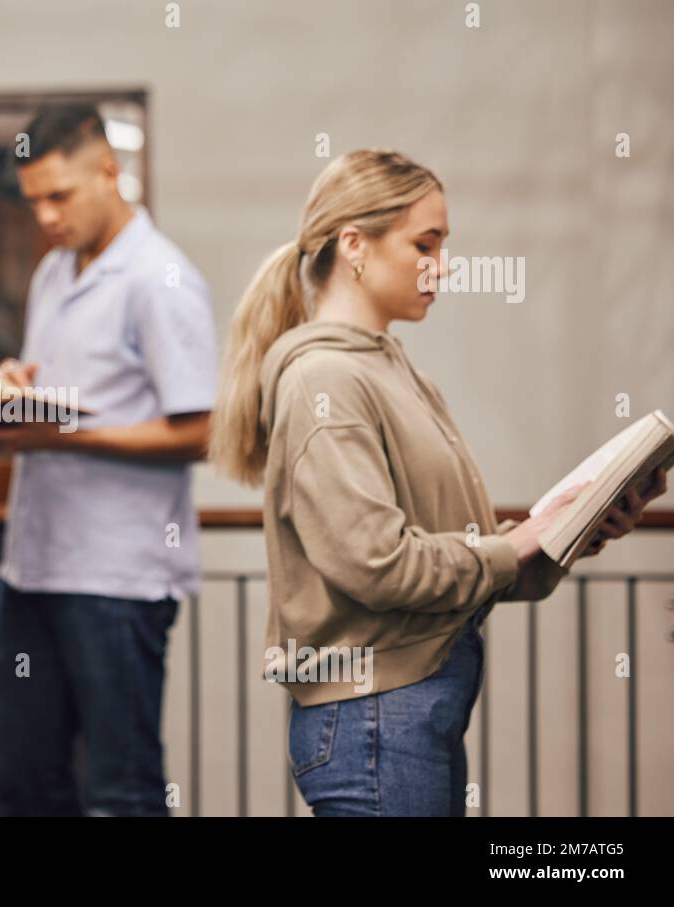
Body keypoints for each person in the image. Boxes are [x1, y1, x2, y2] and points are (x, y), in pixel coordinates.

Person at [209, 148, 668, 816]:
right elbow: (378, 562)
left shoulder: (392, 372)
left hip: (405, 716)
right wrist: (517, 545)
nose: (443, 265)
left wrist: (573, 527)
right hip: (374, 721)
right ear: (355, 245)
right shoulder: (326, 380)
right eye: (425, 243)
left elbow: (465, 558)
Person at [0, 104, 218, 816]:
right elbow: (71, 386)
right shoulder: (53, 272)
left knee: (121, 791)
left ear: (110, 173)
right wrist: (21, 385)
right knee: (27, 785)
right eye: (34, 201)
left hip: (119, 577)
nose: (47, 216)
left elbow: (202, 430)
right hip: (34, 563)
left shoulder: (160, 278)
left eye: (61, 196)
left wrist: (63, 437)